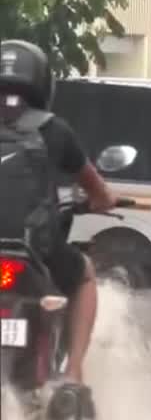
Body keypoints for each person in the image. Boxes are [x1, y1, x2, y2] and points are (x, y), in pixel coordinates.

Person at [0, 39, 119, 384]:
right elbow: (96, 188)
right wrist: (103, 199)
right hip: (34, 252)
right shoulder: (53, 129)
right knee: (84, 274)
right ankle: (73, 373)